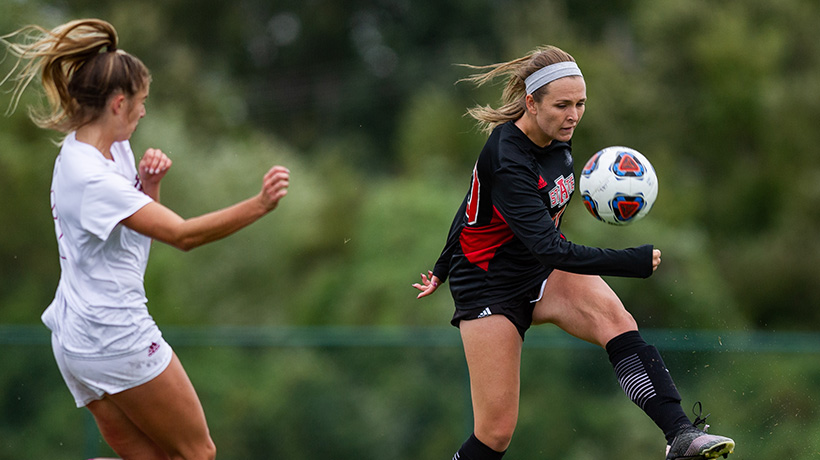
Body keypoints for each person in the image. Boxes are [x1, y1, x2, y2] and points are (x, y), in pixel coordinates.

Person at [412, 45, 735, 460]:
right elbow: (551, 247)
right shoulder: (509, 157)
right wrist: (630, 261)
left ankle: (680, 435)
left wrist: (439, 265)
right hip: (489, 286)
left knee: (618, 321)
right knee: (495, 434)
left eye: (580, 103)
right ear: (531, 102)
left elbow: (472, 202)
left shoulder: (557, 141)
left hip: (539, 272)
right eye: (562, 105)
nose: (573, 115)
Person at [1, 19, 290, 459]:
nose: (144, 112)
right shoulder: (91, 177)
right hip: (115, 336)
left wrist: (148, 187)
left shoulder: (103, 147)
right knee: (198, 454)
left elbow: (126, 249)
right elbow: (183, 235)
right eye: (141, 102)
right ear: (118, 103)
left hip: (77, 340)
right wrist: (260, 204)